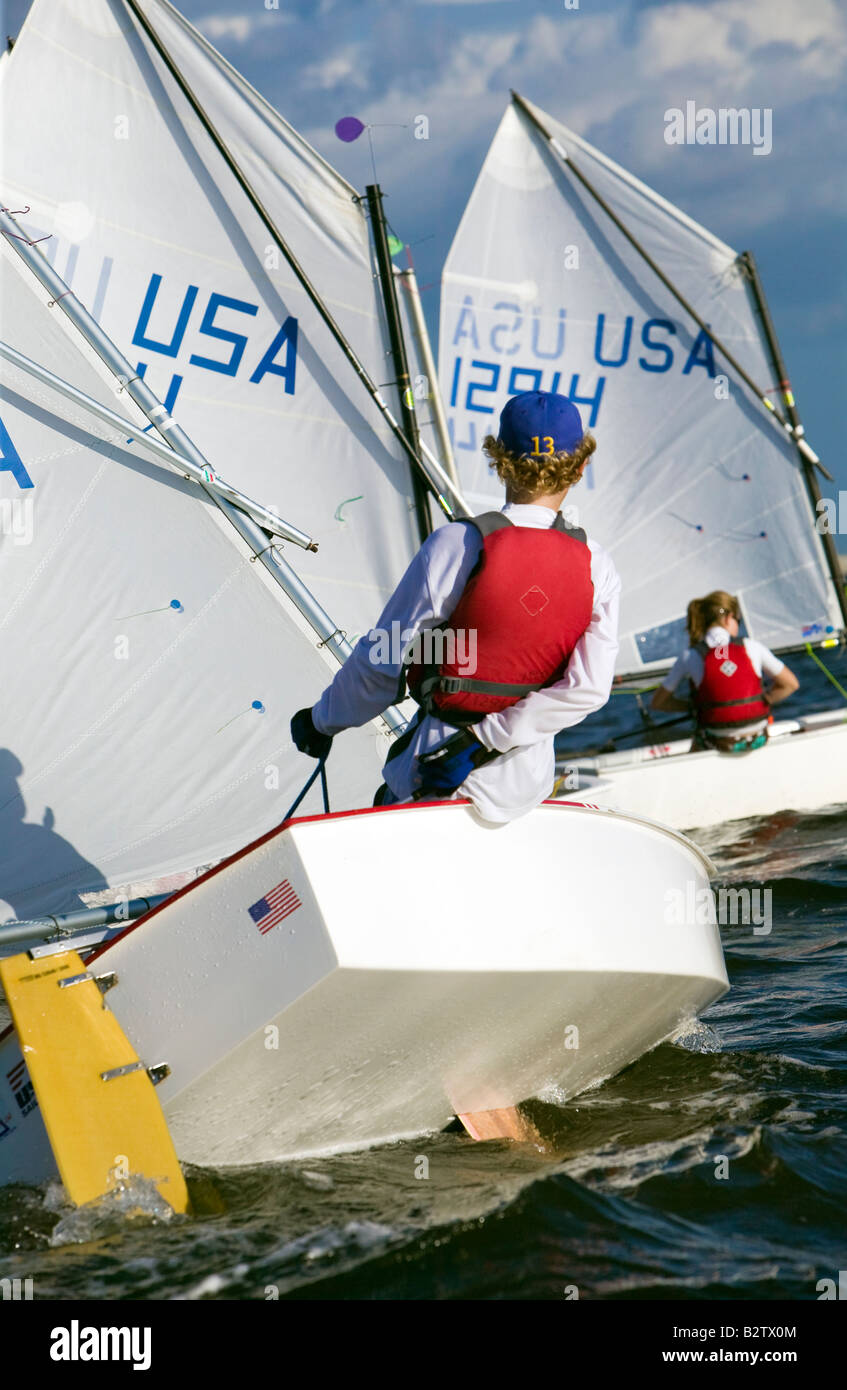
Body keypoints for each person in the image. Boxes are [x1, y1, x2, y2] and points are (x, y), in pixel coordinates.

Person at [291, 391, 620, 823]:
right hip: (526, 792)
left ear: (498, 459)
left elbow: (381, 662)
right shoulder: (597, 564)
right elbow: (589, 689)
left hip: (436, 782)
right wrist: (490, 738)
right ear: (580, 467)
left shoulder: (457, 544)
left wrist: (321, 721)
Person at [650, 589, 799, 752]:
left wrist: (697, 707)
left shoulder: (690, 656)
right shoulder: (752, 646)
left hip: (719, 742)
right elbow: (790, 684)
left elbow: (659, 702)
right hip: (758, 738)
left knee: (698, 738)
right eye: (738, 621)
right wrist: (763, 699)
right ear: (728, 618)